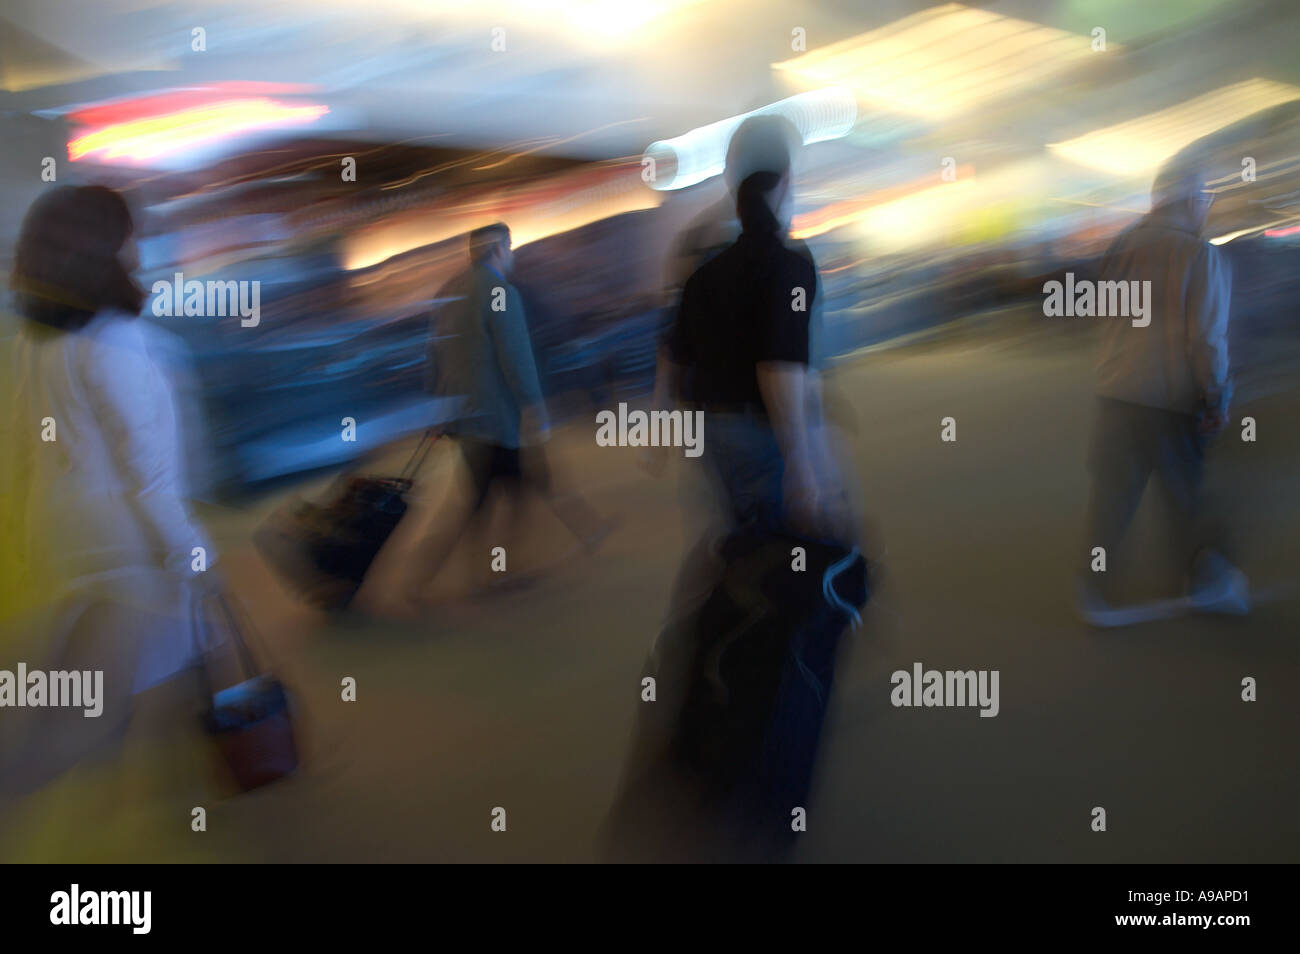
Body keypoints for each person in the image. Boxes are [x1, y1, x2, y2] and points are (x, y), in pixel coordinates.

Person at [0, 185, 234, 791]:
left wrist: (21, 535)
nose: (138, 244)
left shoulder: (31, 342)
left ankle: (167, 800)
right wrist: (192, 552)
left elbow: (22, 450)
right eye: (129, 233)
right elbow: (148, 475)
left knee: (121, 685)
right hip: (124, 551)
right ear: (105, 248)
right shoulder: (118, 341)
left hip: (60, 538)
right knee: (84, 724)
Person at [1078, 161, 1249, 625]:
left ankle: (1093, 592)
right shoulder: (1199, 255)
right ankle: (1205, 585)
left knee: (1112, 501)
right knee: (1186, 497)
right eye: (1204, 201)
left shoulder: (1119, 248)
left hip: (1116, 395)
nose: (1206, 210)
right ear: (1191, 203)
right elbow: (1207, 339)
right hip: (1171, 402)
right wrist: (1216, 398)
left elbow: (1104, 317)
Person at [407, 223, 611, 602]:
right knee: (494, 499)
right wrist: (535, 406)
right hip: (498, 419)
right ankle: (475, 575)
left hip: (465, 417)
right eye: (510, 247)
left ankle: (469, 574)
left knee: (487, 498)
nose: (512, 254)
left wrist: (440, 407)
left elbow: (433, 354)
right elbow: (516, 356)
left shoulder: (450, 292)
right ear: (499, 249)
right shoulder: (499, 291)